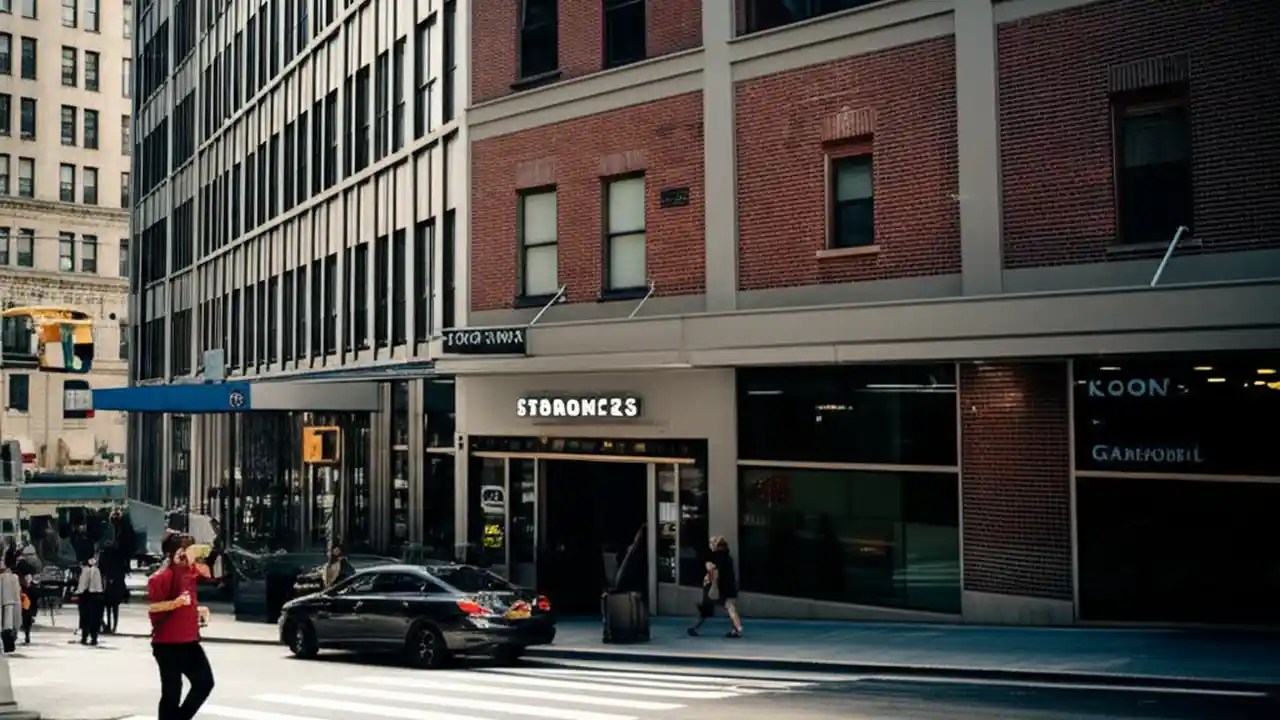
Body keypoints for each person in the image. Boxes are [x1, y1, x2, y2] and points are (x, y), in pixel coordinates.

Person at [148, 533, 215, 720]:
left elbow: (208, 576)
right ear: (177, 552)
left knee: (205, 683)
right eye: (188, 548)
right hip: (167, 644)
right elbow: (153, 607)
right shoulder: (162, 576)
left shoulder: (190, 573)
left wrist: (197, 610)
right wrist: (175, 603)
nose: (193, 552)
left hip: (189, 641)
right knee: (171, 694)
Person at [687, 536, 744, 638]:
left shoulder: (715, 558)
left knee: (706, 609)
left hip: (718, 587)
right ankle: (737, 628)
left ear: (715, 546)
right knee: (730, 607)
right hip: (729, 586)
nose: (710, 545)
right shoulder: (728, 557)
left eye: (711, 543)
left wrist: (713, 586)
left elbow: (714, 573)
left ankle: (693, 627)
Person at [75, 555, 105, 645]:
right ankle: (94, 638)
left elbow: (83, 585)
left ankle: (84, 637)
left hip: (86, 596)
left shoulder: (86, 570)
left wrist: (78, 592)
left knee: (85, 618)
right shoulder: (97, 570)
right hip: (97, 596)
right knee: (95, 618)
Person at [0, 562, 21, 653]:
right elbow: (17, 597)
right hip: (10, 603)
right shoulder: (13, 578)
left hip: (8, 602)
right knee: (8, 625)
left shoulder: (12, 578)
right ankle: (8, 646)